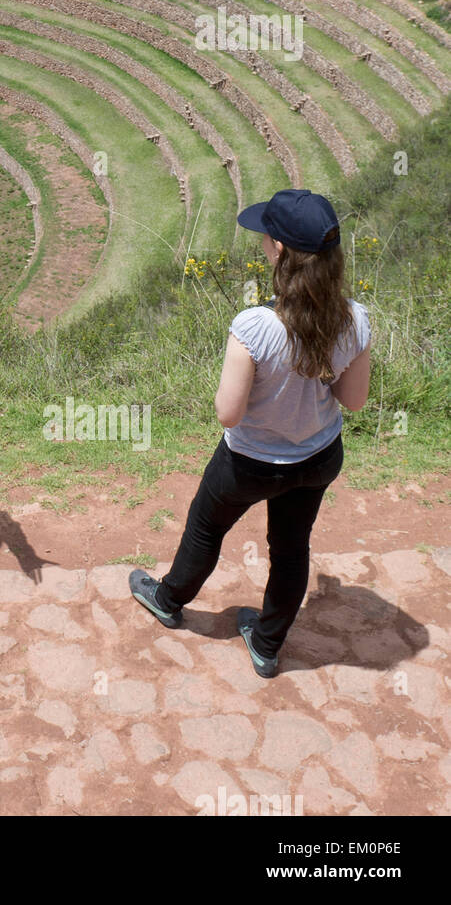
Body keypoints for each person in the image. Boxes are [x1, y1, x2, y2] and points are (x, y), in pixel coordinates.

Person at [131, 190, 372, 677]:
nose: (262, 239)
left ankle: (169, 600)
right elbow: (354, 400)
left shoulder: (255, 325)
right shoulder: (355, 318)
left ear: (280, 249)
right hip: (318, 457)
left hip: (249, 463)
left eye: (267, 234)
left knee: (207, 527)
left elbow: (228, 413)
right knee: (290, 548)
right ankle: (266, 644)